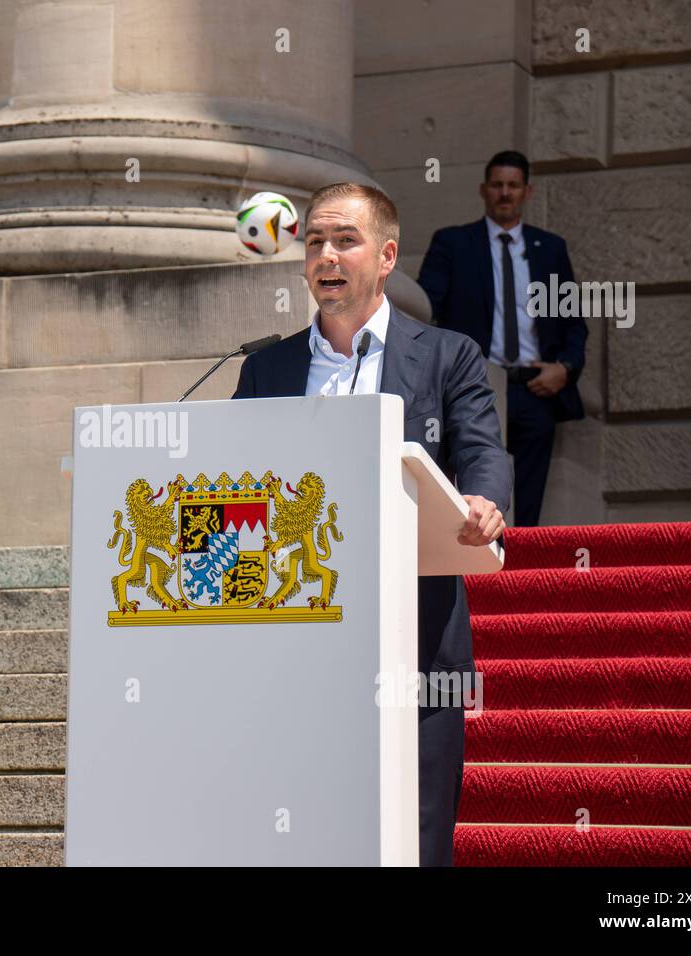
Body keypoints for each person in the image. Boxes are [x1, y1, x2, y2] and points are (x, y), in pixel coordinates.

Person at [232, 182, 510, 866]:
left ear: (386, 257)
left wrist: (482, 501)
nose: (326, 255)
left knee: (418, 822)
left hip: (413, 631)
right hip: (291, 636)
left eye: (345, 241)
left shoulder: (448, 356)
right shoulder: (265, 368)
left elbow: (479, 449)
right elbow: (229, 482)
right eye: (315, 241)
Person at [417, 149, 587, 527]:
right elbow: (425, 311)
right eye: (498, 185)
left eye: (513, 186)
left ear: (528, 191)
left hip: (535, 387)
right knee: (470, 477)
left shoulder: (551, 249)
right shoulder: (453, 244)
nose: (505, 193)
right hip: (473, 384)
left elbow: (574, 323)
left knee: (529, 497)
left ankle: (520, 568)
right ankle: (471, 557)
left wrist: (566, 368)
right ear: (484, 189)